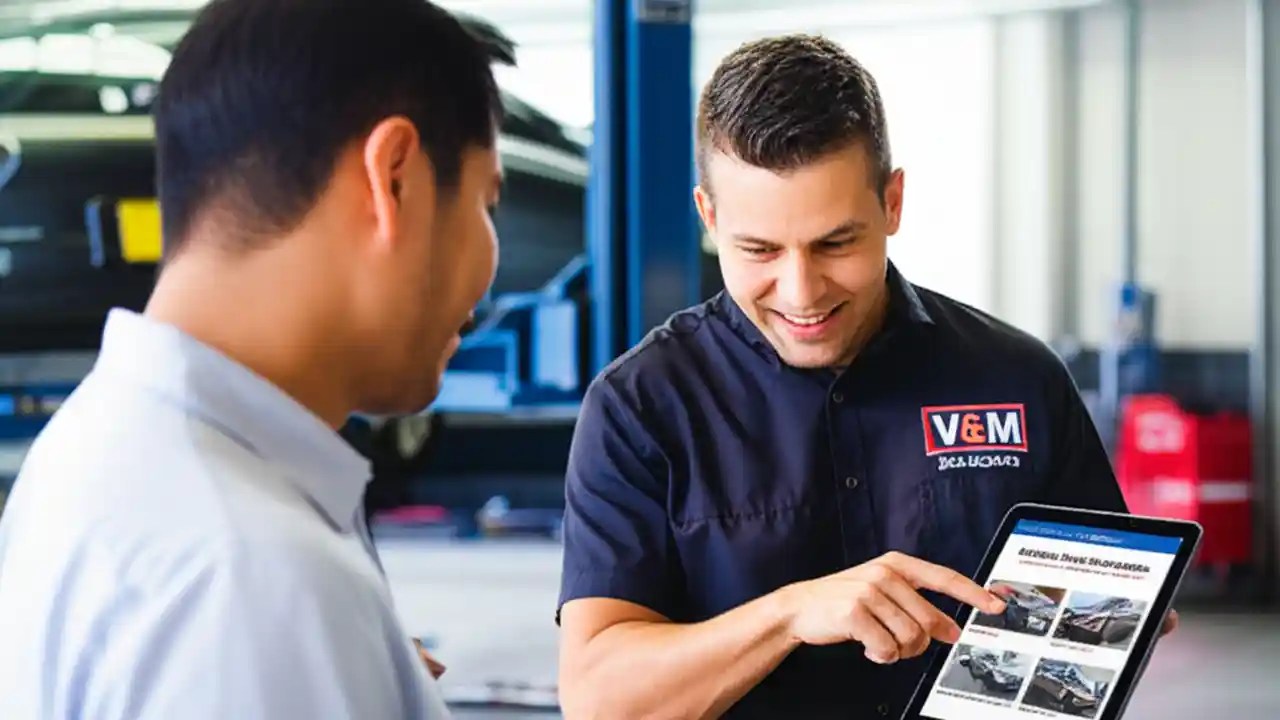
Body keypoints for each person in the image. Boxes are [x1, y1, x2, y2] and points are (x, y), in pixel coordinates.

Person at [556, 35, 1173, 719]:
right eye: (759, 249)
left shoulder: (1020, 380)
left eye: (836, 243)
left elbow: (1089, 633)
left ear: (894, 203)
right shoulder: (642, 407)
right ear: (709, 217)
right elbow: (598, 699)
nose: (801, 292)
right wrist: (790, 614)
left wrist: (1113, 625)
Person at [0, 0, 504, 717]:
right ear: (394, 178)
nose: (492, 259)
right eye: (489, 202)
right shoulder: (254, 573)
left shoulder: (90, 453)